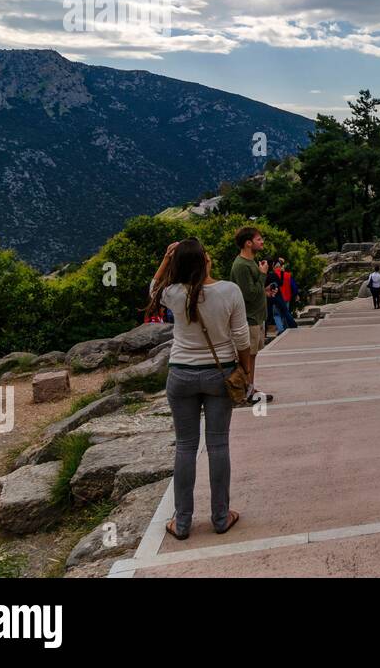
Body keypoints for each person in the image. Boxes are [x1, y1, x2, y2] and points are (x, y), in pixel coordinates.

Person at [147, 239, 247, 540]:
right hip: (220, 374)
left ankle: (182, 522)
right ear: (205, 260)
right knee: (218, 446)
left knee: (185, 446)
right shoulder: (229, 290)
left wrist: (166, 257)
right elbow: (241, 338)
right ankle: (220, 516)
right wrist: (247, 375)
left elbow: (152, 289)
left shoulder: (174, 293)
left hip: (181, 375)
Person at [230, 226, 274, 404]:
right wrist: (263, 275)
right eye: (258, 239)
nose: (262, 241)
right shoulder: (241, 265)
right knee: (247, 357)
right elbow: (247, 294)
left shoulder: (251, 262)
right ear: (248, 243)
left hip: (256, 318)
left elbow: (253, 290)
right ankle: (246, 392)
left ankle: (250, 388)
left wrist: (264, 291)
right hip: (248, 319)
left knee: (252, 356)